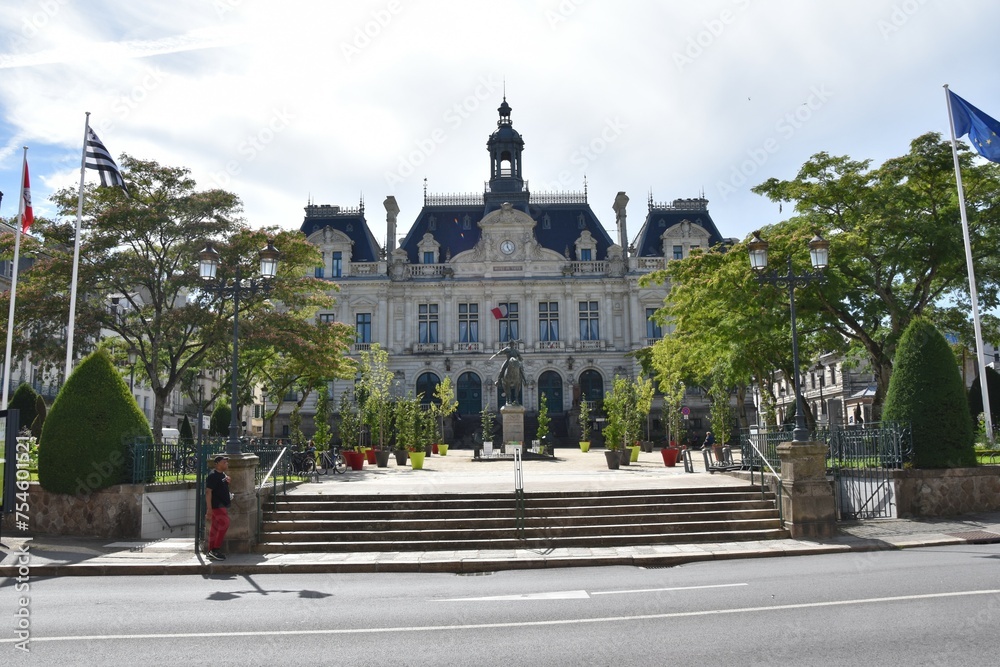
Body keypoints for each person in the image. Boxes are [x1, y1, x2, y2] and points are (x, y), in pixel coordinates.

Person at [205, 455, 231, 561]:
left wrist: (227, 481)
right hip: (217, 506)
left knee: (214, 528)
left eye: (226, 462)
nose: (226, 463)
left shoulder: (222, 475)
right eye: (224, 462)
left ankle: (211, 551)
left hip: (221, 505)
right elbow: (208, 492)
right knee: (225, 524)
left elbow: (221, 487)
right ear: (217, 464)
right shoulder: (213, 476)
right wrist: (209, 509)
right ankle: (215, 549)